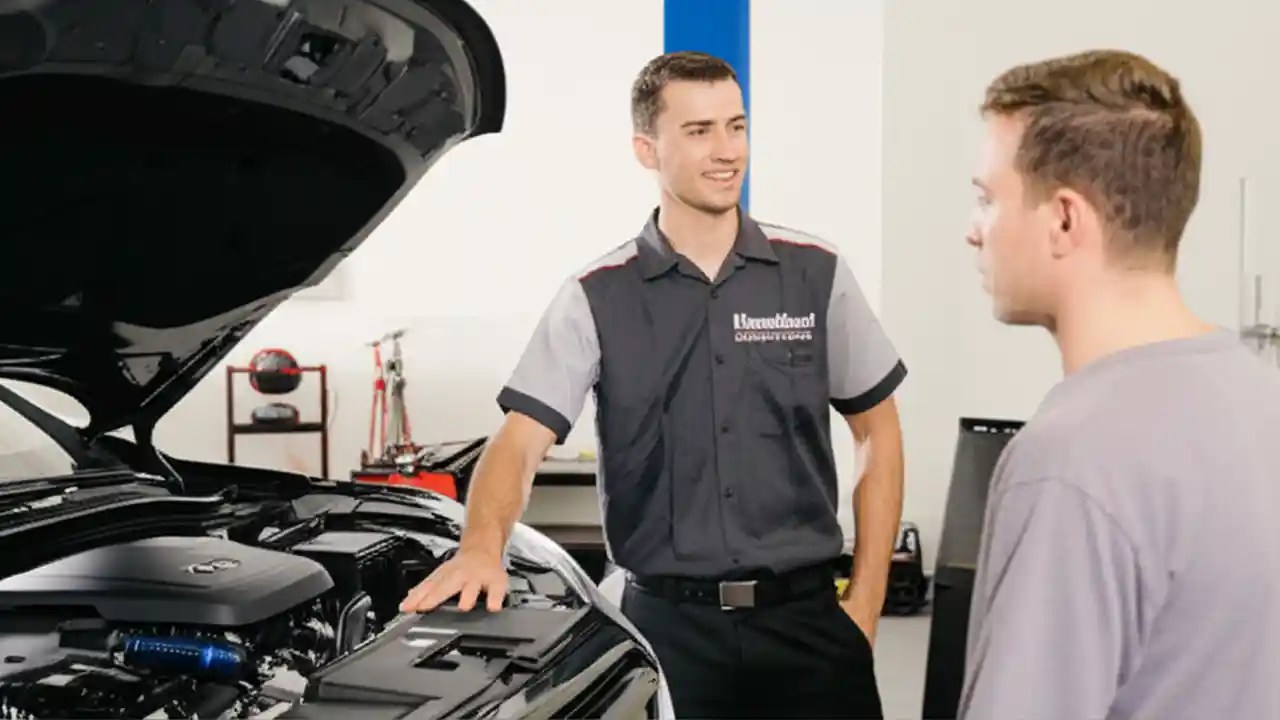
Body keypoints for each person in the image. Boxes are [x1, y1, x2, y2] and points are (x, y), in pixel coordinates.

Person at [399, 50, 906, 719]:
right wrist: (482, 547)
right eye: (699, 132)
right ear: (647, 149)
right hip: (666, 630)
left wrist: (865, 602)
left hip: (809, 625)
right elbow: (519, 443)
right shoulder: (595, 296)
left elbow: (880, 431)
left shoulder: (816, 273)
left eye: (737, 126)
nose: (727, 151)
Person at [959, 48, 1280, 720]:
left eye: (988, 199)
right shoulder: (1260, 399)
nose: (973, 232)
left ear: (1065, 220)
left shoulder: (1074, 461)